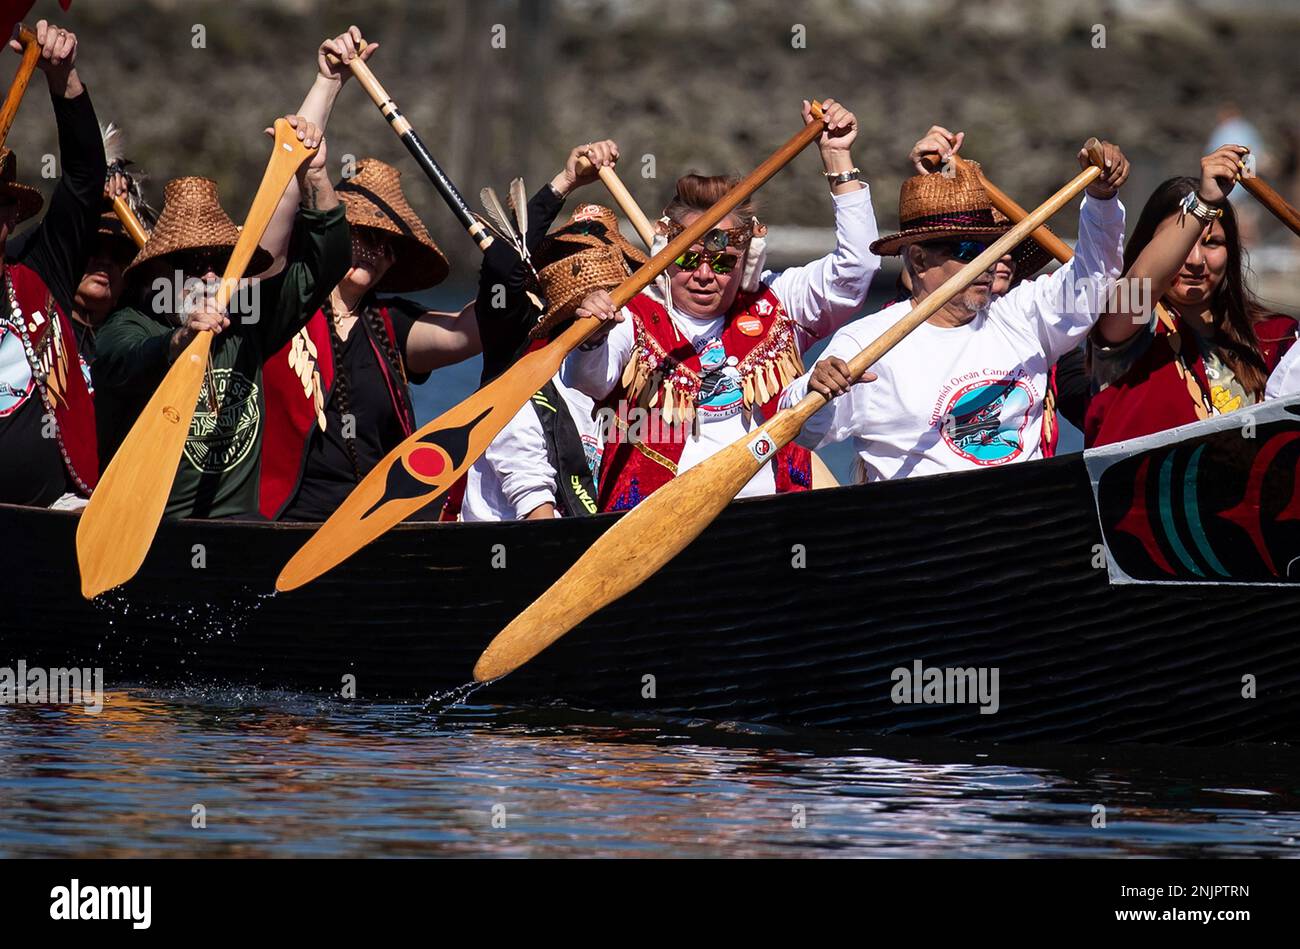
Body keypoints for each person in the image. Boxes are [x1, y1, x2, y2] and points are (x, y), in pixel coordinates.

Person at [563, 99, 878, 511]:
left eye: (724, 262)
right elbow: (590, 380)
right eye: (689, 258)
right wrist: (592, 336)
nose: (705, 275)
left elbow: (858, 267)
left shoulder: (777, 301)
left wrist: (837, 157)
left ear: (747, 262)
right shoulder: (632, 315)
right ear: (664, 254)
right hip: (655, 531)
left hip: (772, 525)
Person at [779, 138, 1129, 481]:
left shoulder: (1022, 315)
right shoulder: (864, 342)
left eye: (990, 248)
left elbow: (1095, 275)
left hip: (1023, 520)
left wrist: (1102, 199)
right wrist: (815, 385)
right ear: (918, 259)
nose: (987, 263)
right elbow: (801, 430)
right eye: (967, 250)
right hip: (927, 528)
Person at [92, 113, 350, 519]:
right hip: (152, 531)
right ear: (157, 271)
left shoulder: (248, 320)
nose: (210, 274)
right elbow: (126, 359)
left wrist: (315, 177)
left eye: (221, 260)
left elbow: (328, 263)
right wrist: (179, 342)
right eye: (194, 262)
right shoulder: (124, 325)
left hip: (238, 531)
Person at [1085, 146, 1297, 445]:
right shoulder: (1128, 321)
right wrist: (1204, 204)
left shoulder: (1276, 338)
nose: (1196, 259)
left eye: (1212, 244)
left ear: (1231, 253)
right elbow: (1140, 286)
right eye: (1182, 246)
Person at [462, 202, 646, 521]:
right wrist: (561, 186)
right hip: (515, 550)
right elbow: (500, 269)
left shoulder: (625, 379)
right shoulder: (518, 379)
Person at [0, 20, 106, 509]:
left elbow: (85, 179)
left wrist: (62, 79)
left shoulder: (41, 275)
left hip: (50, 519)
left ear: (10, 220)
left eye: (1, 207)